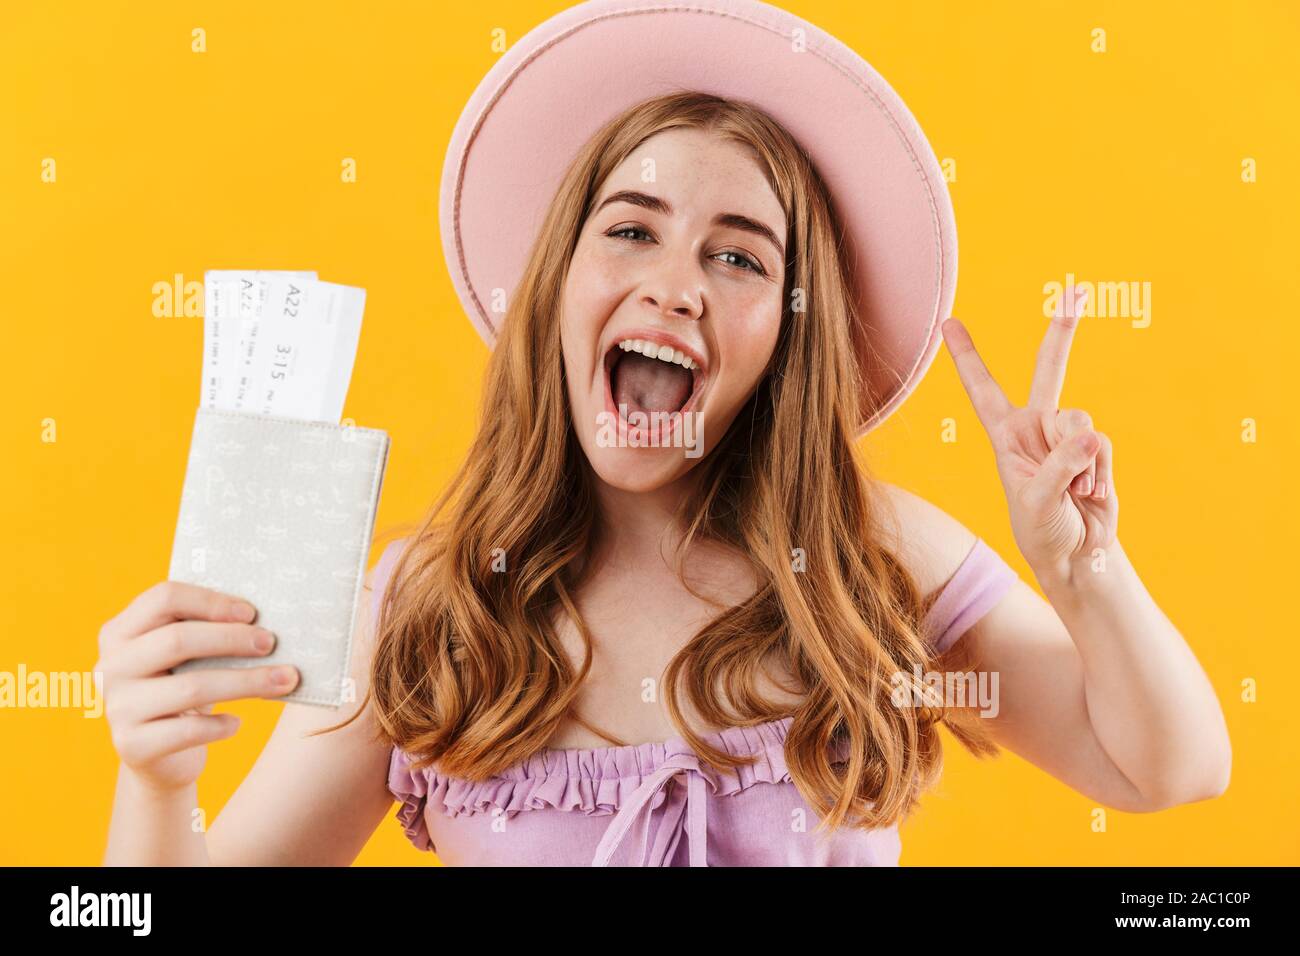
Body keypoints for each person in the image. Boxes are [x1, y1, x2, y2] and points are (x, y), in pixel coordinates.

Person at [98, 0, 1230, 867]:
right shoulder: (430, 608)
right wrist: (153, 779)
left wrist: (1087, 571)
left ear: (788, 333)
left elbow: (1169, 765)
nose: (678, 285)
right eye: (632, 228)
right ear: (556, 288)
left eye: (740, 256)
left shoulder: (865, 561)